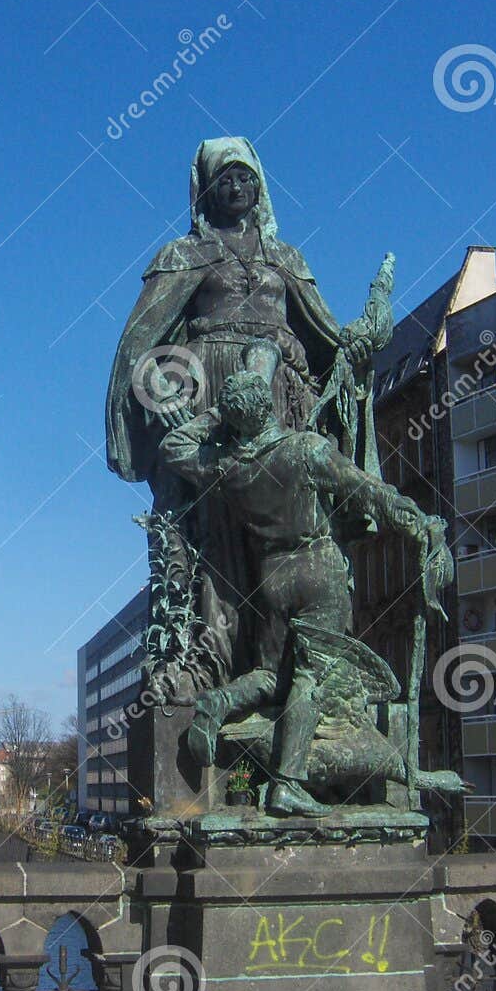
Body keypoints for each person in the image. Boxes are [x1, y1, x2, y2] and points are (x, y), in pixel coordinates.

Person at [105, 137, 392, 700]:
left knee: (285, 528)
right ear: (205, 191)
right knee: (217, 532)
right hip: (211, 394)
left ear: (260, 187)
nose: (236, 187)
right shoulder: (181, 256)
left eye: (245, 177)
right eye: (224, 178)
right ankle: (207, 663)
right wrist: (166, 392)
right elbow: (140, 344)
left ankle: (287, 668)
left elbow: (324, 336)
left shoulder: (288, 260)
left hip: (281, 398)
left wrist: (352, 350)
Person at [159, 370, 454, 815]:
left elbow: (172, 447)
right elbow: (370, 493)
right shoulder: (307, 449)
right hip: (320, 571)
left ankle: (218, 701)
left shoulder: (231, 467)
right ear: (269, 407)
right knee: (310, 678)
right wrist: (419, 521)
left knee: (272, 673)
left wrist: (219, 417)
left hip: (271, 577)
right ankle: (288, 783)